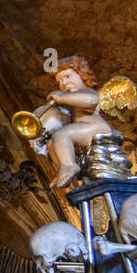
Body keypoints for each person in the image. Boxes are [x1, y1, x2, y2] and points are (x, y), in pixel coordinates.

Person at [35, 55, 112, 188]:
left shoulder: (87, 91)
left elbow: (91, 100)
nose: (63, 83)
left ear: (82, 75)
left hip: (95, 127)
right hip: (83, 128)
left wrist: (63, 98)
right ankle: (64, 173)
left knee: (61, 135)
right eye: (59, 81)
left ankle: (69, 166)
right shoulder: (72, 102)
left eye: (67, 77)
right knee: (52, 144)